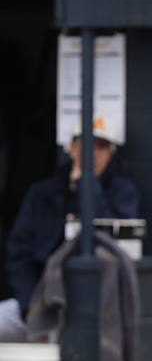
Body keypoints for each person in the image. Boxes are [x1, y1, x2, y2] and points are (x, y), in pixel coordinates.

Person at [0, 113, 139, 342]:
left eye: (101, 147)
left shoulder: (123, 193)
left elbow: (115, 243)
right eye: (84, 145)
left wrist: (89, 187)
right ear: (71, 148)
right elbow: (19, 255)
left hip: (91, 308)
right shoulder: (43, 194)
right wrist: (31, 307)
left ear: (111, 154)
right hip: (37, 301)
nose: (91, 153)